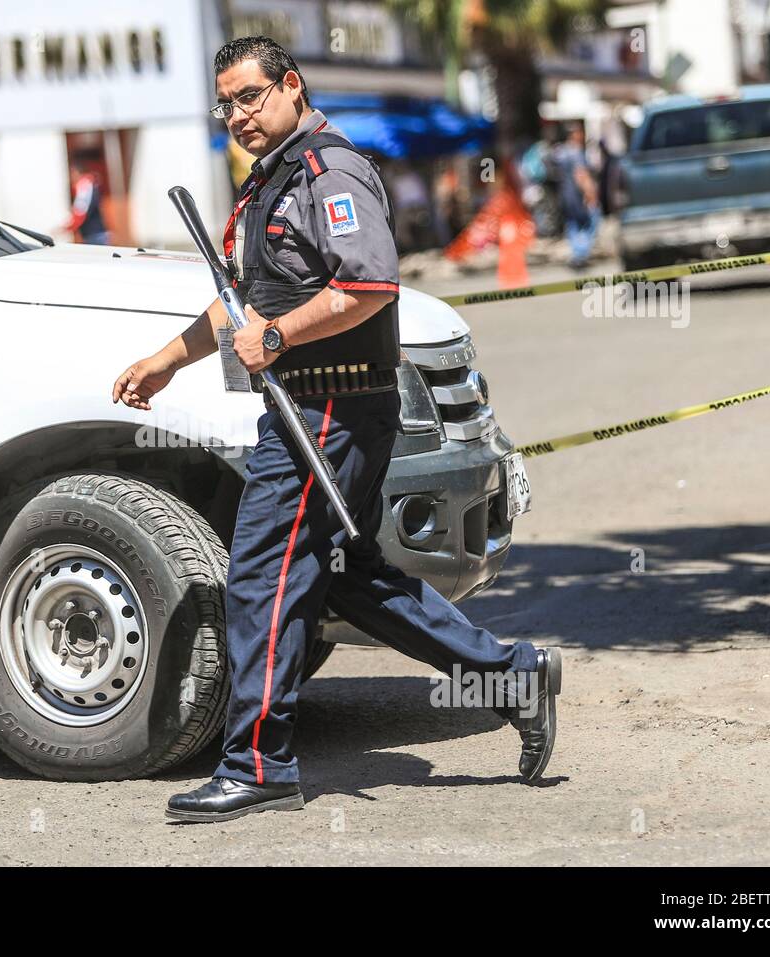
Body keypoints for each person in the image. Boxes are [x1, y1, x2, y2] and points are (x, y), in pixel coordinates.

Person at [111, 36, 562, 823]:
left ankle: (257, 762)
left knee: (262, 573)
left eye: (251, 96)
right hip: (306, 406)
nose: (238, 115)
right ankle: (513, 674)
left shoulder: (331, 170)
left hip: (331, 408)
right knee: (349, 580)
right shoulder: (272, 180)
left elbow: (368, 286)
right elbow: (245, 297)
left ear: (290, 85)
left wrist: (278, 339)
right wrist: (167, 360)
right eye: (226, 103)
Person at [556, 124, 600, 269]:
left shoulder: (560, 152)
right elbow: (581, 174)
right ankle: (581, 254)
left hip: (565, 194)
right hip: (577, 195)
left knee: (573, 224)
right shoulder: (576, 152)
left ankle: (577, 253)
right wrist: (590, 193)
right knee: (589, 221)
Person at [62, 157, 110, 245]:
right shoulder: (87, 185)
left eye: (71, 173)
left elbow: (81, 212)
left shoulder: (84, 186)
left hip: (95, 235)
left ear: (76, 172)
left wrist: (67, 228)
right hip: (95, 234)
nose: (71, 177)